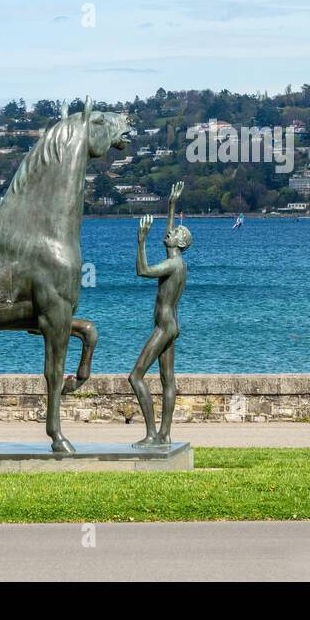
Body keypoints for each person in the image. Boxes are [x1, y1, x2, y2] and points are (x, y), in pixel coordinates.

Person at [129, 181, 190, 447]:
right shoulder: (178, 260)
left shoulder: (171, 265)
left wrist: (141, 241)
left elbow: (143, 271)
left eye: (175, 232)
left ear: (180, 241)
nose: (170, 233)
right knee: (167, 379)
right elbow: (167, 234)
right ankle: (165, 434)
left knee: (136, 376)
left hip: (164, 326)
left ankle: (153, 433)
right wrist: (171, 204)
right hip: (172, 324)